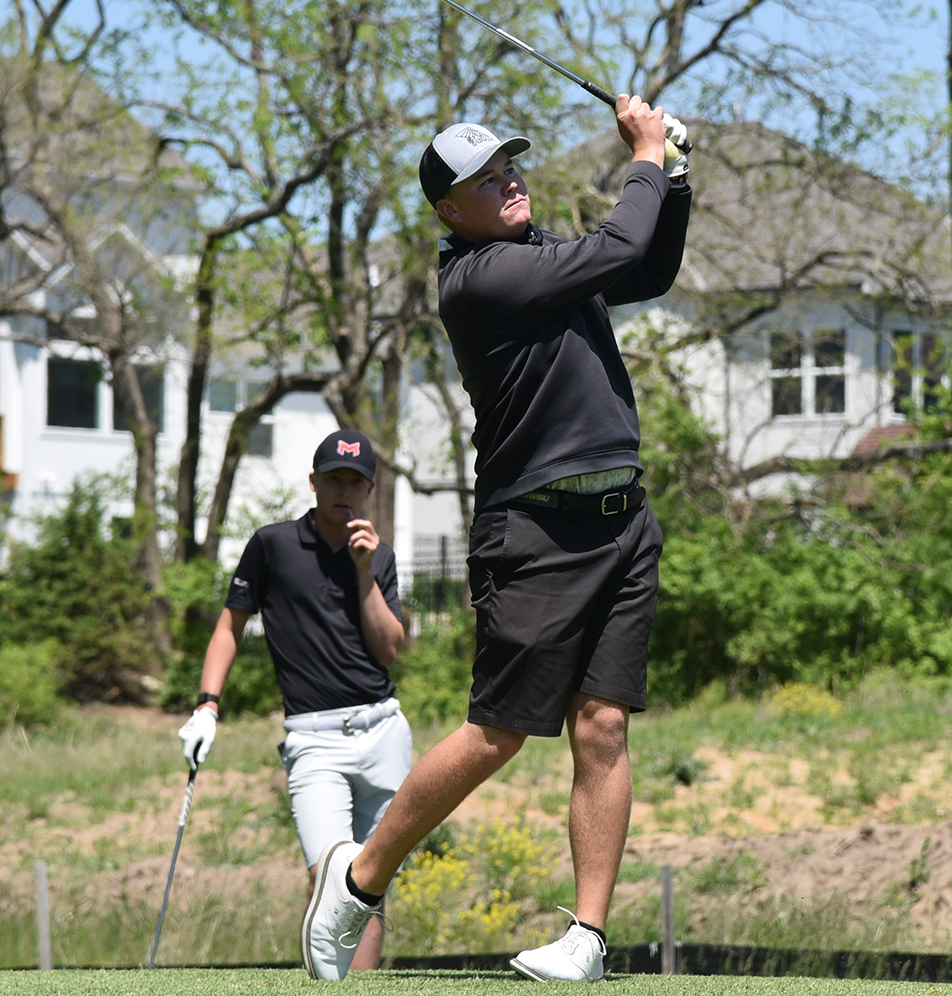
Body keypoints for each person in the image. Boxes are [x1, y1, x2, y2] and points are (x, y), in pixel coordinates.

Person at [300, 94, 691, 982]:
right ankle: (357, 882)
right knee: (496, 734)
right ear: (450, 210)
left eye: (509, 165)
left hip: (623, 522)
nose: (508, 181)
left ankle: (586, 942)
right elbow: (624, 245)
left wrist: (677, 175)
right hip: (537, 533)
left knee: (603, 728)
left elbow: (650, 267)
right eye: (485, 179)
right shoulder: (480, 280)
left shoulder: (545, 255)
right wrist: (646, 152)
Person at [178, 428, 412, 974]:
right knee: (328, 876)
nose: (344, 492)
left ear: (370, 489)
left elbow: (390, 649)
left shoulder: (380, 557)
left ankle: (360, 988)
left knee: (368, 884)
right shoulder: (273, 545)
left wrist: (363, 573)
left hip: (382, 730)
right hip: (313, 738)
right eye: (334, 479)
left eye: (355, 482)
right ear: (313, 482)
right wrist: (208, 704)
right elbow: (230, 626)